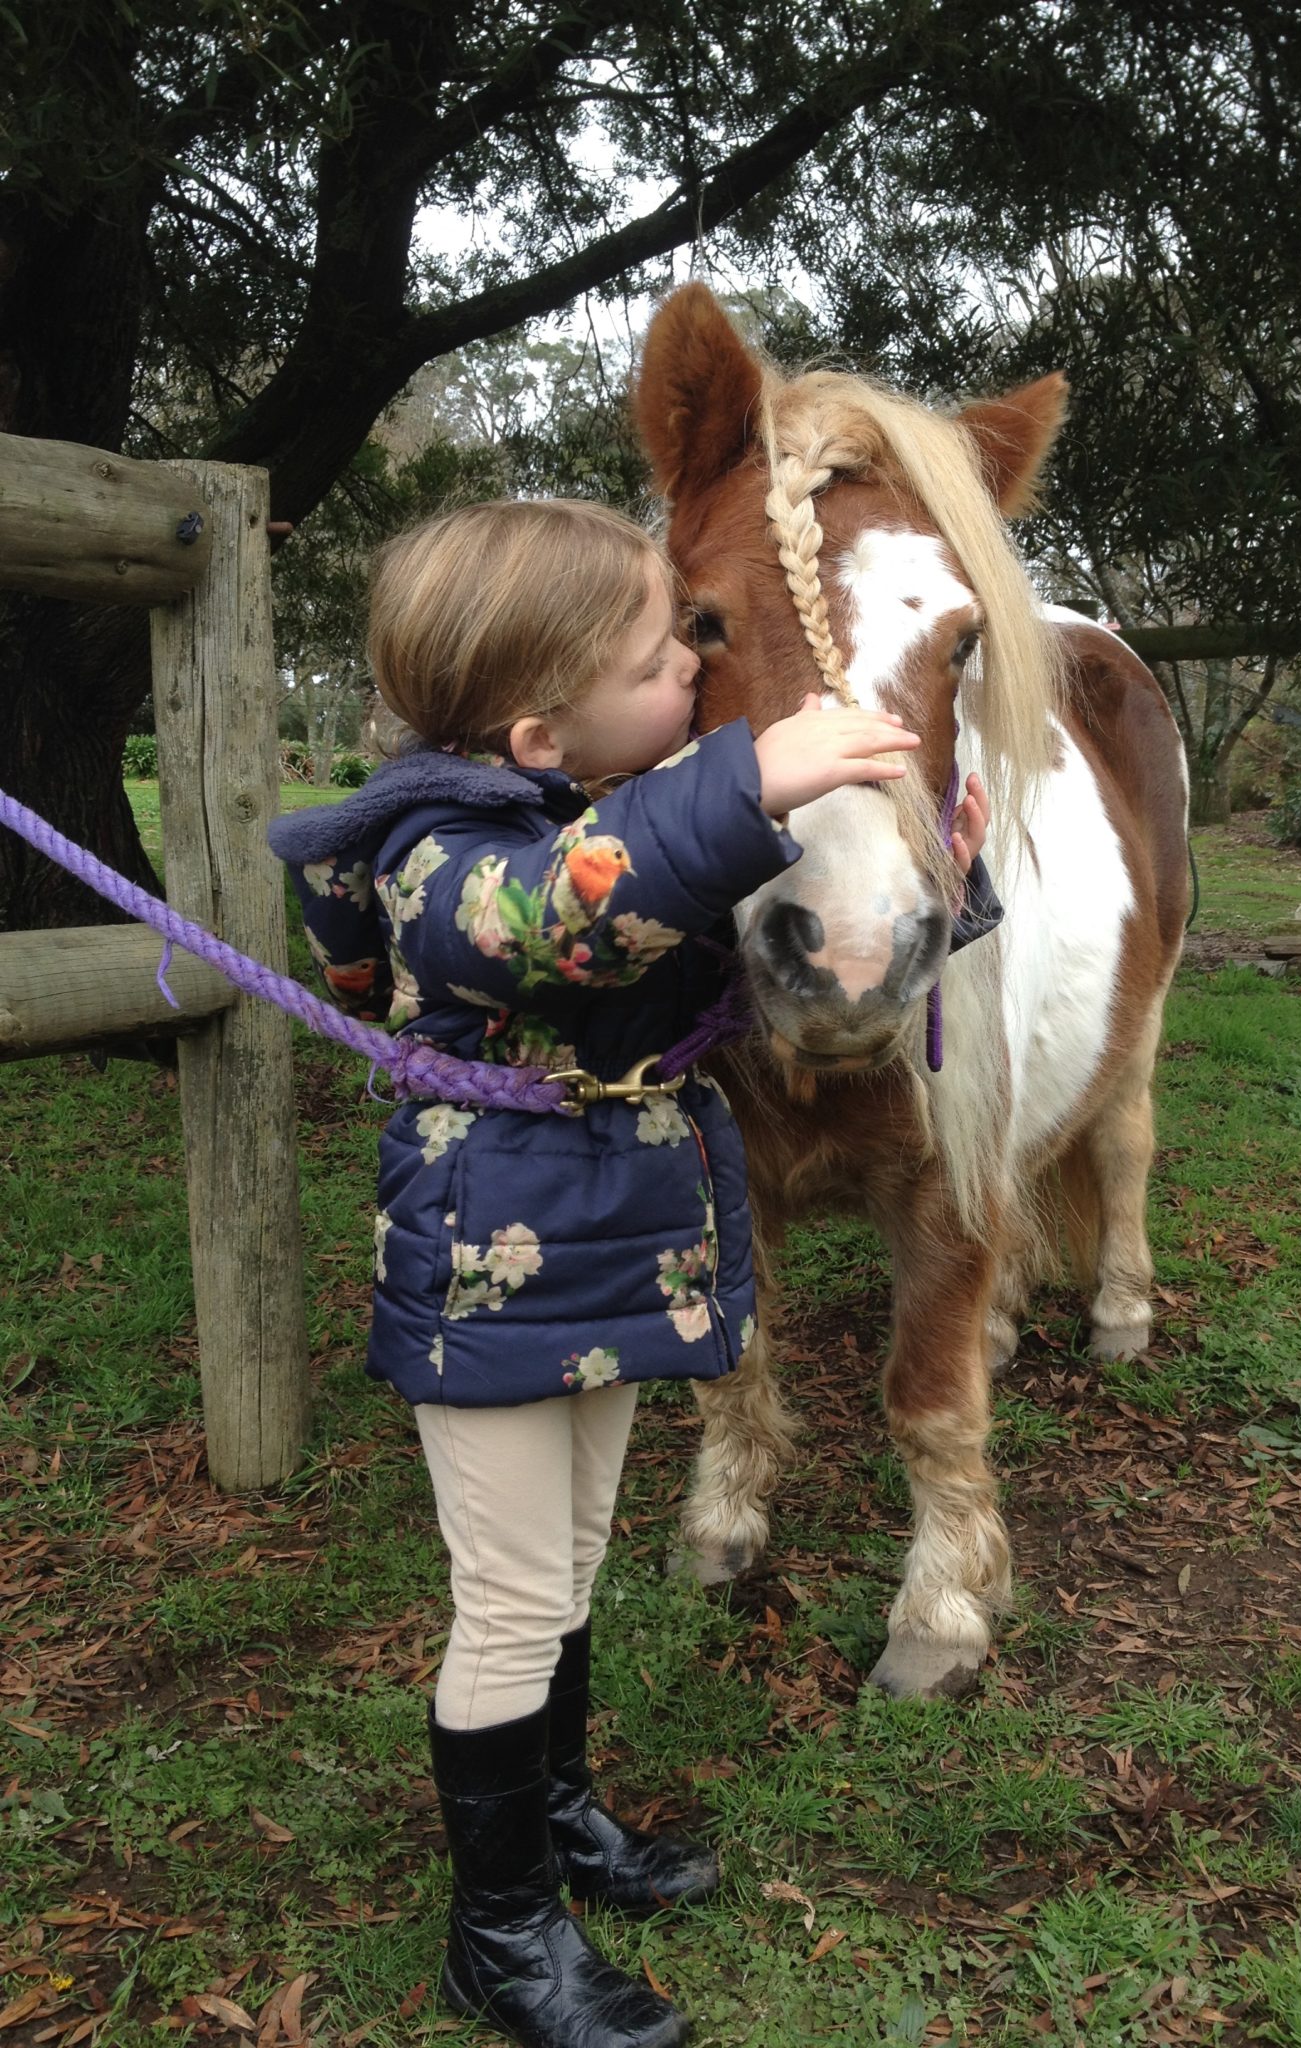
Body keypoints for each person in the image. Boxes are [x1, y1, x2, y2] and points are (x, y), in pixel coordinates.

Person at [268, 498, 994, 2048]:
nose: (697, 669)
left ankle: (566, 1817)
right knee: (513, 1600)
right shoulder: (444, 857)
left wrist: (954, 896)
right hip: (491, 1289)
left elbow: (719, 964)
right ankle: (501, 1932)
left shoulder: (582, 816)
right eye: (671, 652)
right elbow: (568, 923)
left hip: (597, 1276)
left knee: (576, 1560)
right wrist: (752, 773)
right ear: (544, 725)